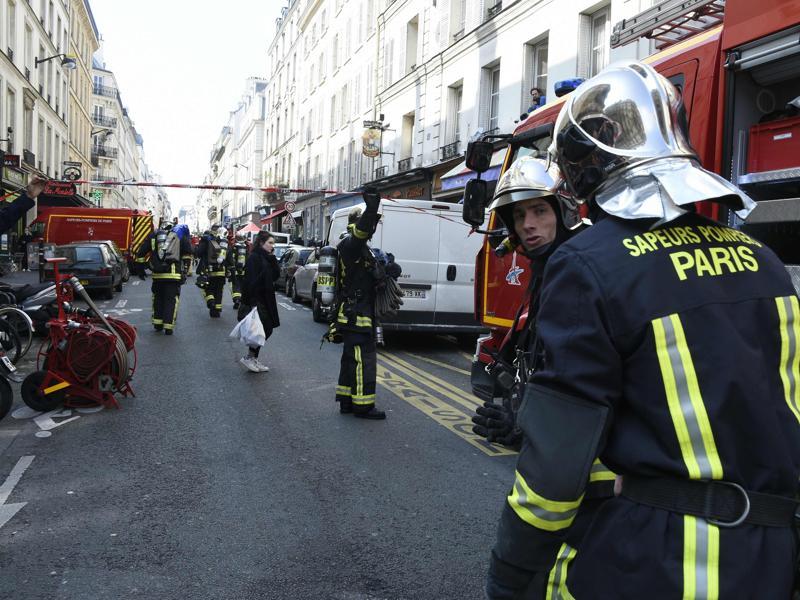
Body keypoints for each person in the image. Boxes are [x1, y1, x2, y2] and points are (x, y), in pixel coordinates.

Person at [486, 61, 800, 599]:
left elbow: (557, 472)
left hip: (655, 562)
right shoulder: (763, 260)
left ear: (583, 168)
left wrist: (511, 571)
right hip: (771, 557)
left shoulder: (589, 265)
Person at [328, 187, 386, 420]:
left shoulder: (360, 248)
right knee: (363, 361)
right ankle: (363, 406)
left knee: (351, 359)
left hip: (356, 312)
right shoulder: (350, 243)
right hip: (357, 314)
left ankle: (346, 401)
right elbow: (361, 233)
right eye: (371, 223)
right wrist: (372, 209)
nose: (373, 228)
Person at [136, 221, 192, 335]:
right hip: (173, 275)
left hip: (157, 275)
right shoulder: (179, 236)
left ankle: (158, 323)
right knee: (171, 300)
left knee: (157, 298)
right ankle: (168, 326)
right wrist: (185, 270)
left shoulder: (153, 236)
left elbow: (141, 252)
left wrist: (140, 270)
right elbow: (188, 253)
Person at [238, 230, 280, 373]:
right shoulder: (254, 258)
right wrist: (252, 302)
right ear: (261, 243)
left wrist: (273, 260)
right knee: (262, 329)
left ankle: (253, 358)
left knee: (266, 329)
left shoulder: (267, 258)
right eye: (270, 243)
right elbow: (250, 281)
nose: (272, 246)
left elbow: (275, 276)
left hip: (266, 298)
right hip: (257, 299)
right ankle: (249, 357)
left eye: (273, 243)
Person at [196, 224, 228, 318]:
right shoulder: (223, 240)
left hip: (208, 270)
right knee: (219, 290)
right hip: (221, 271)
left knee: (208, 288)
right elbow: (228, 255)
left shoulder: (207, 239)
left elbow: (199, 253)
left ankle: (211, 302)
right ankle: (217, 310)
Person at [228, 233, 249, 310]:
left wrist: (229, 269)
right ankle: (242, 301)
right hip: (244, 272)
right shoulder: (246, 248)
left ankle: (236, 300)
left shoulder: (233, 247)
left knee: (234, 286)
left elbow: (230, 258)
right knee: (243, 287)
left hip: (235, 271)